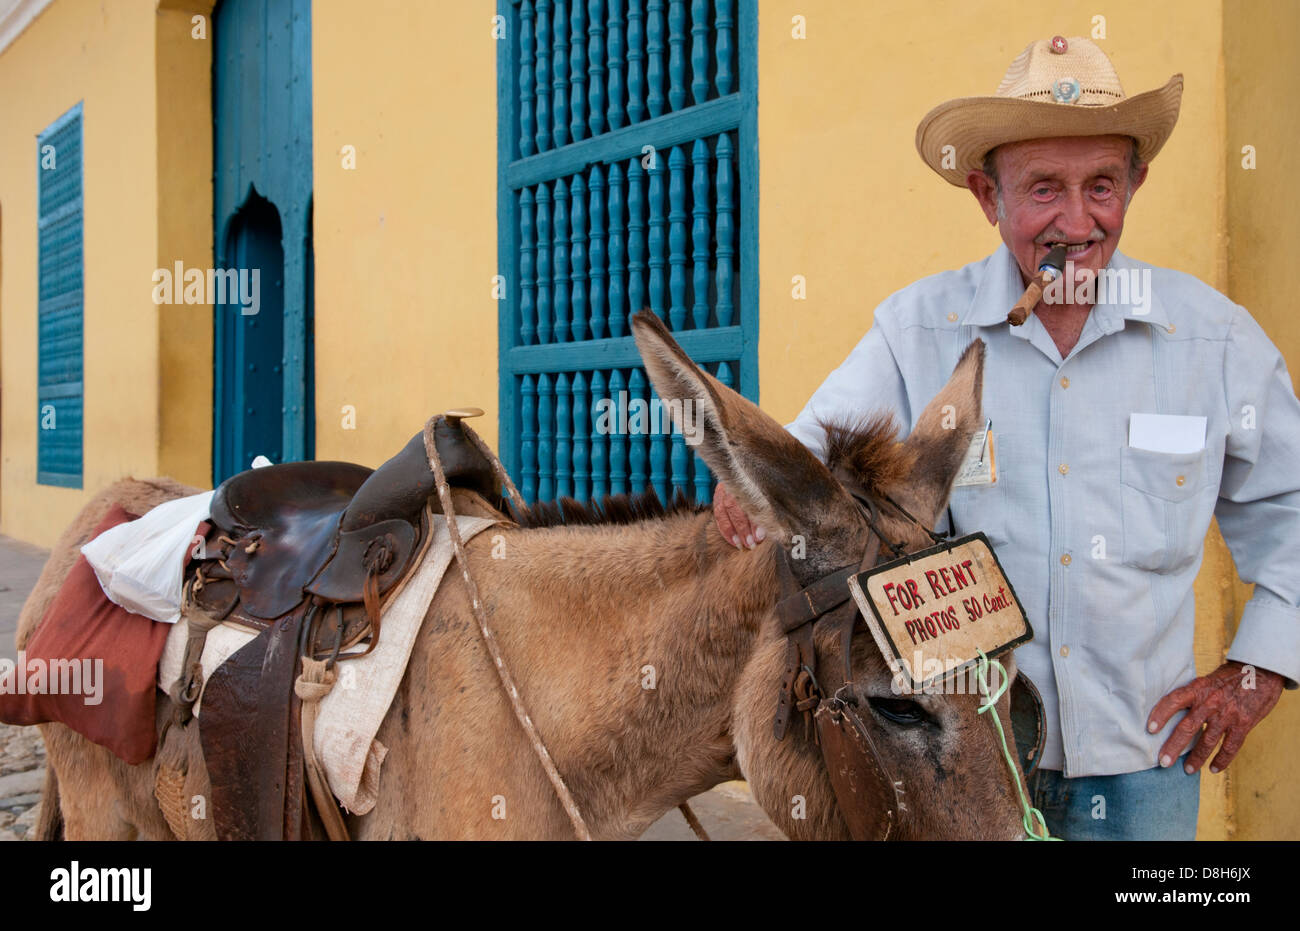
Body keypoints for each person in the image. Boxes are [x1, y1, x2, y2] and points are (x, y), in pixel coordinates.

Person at [714, 37, 1296, 840]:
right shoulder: (915, 332)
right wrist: (749, 486)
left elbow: (1291, 509)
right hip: (965, 766)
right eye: (1043, 190)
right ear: (988, 196)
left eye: (1101, 185)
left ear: (1136, 182)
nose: (1076, 221)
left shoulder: (1215, 343)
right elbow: (806, 453)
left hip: (1145, 769)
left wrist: (1258, 669)